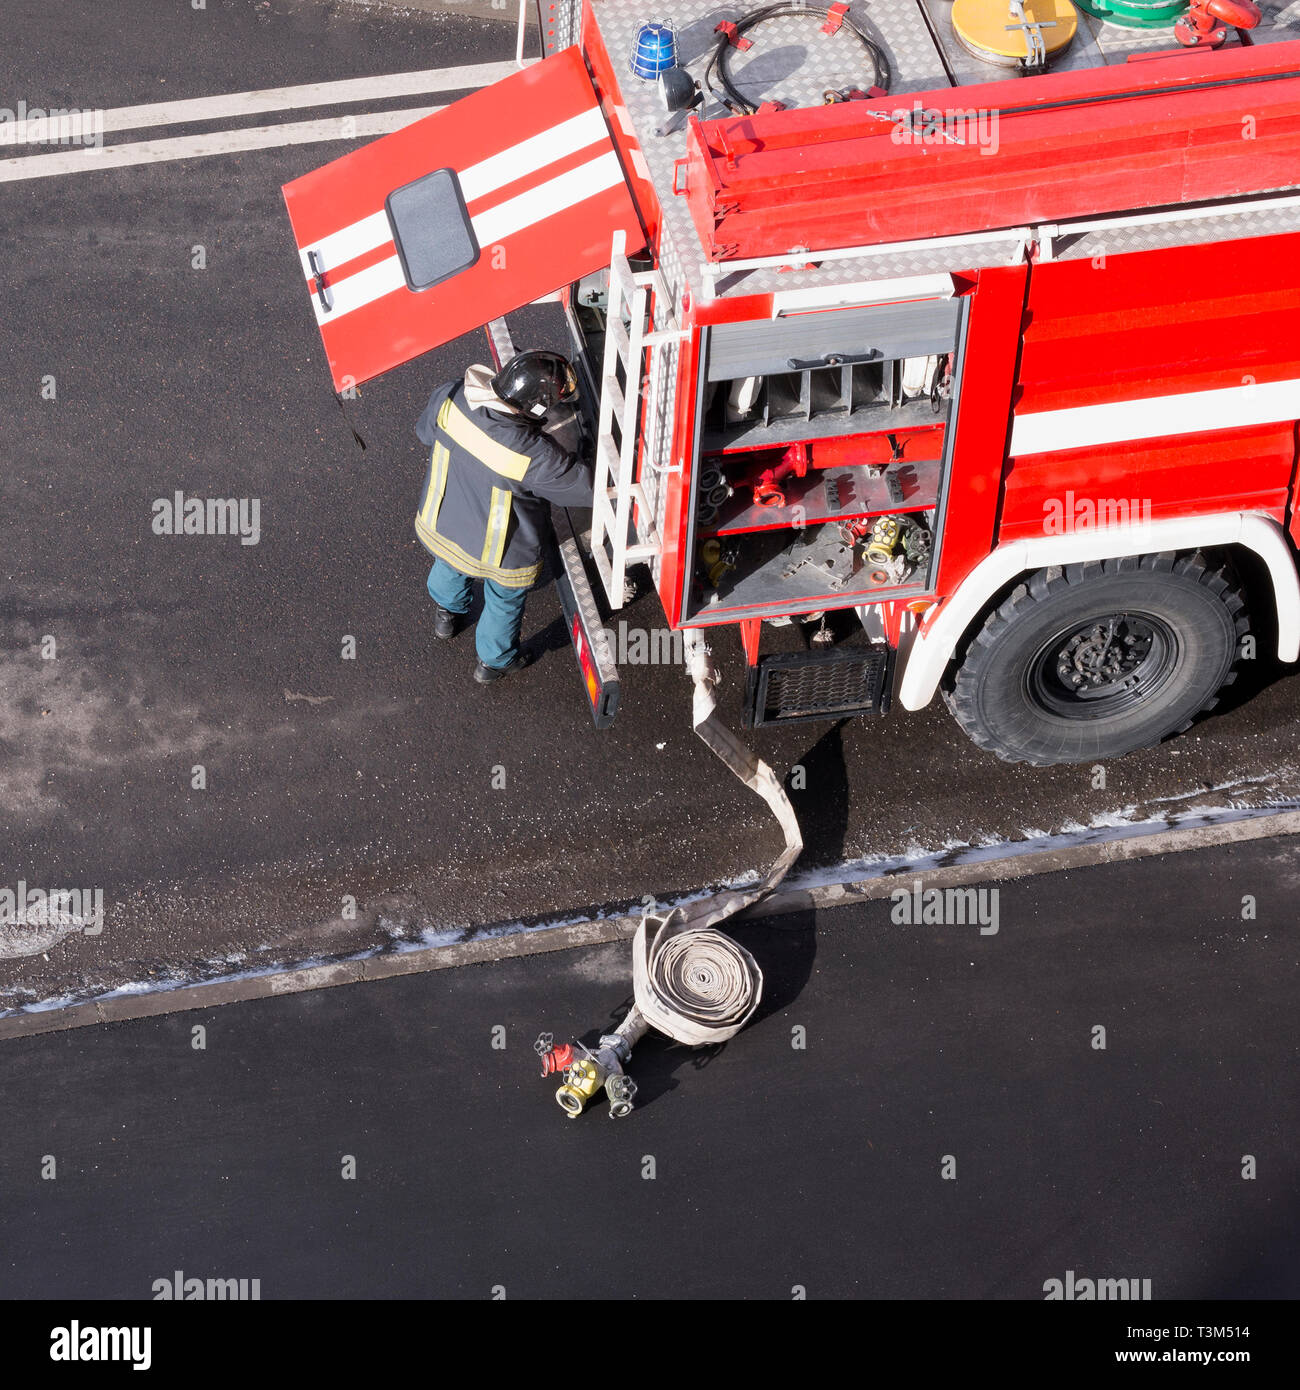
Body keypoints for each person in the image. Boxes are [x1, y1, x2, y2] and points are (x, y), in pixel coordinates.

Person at [413, 350, 593, 683]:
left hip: (444, 523)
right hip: (500, 554)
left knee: (450, 564)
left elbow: (425, 432)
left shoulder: (451, 397)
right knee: (503, 600)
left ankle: (447, 614)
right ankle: (493, 662)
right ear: (537, 408)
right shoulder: (535, 455)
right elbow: (584, 489)